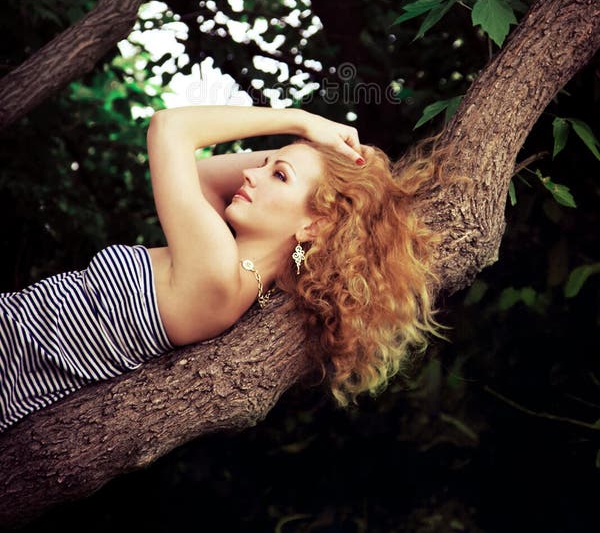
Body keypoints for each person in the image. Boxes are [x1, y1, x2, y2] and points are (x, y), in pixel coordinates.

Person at [0, 104, 443, 432]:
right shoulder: (232, 271)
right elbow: (203, 175)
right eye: (263, 166)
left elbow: (169, 127)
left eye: (278, 176)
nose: (252, 173)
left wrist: (301, 121)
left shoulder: (214, 270)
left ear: (317, 224)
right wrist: (300, 155)